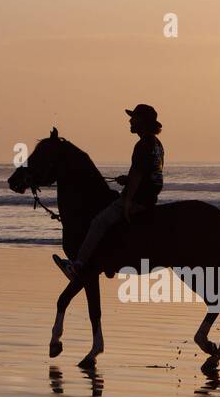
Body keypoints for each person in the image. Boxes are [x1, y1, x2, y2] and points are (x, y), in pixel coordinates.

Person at [54, 104, 164, 280]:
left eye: (134, 117)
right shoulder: (156, 143)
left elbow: (138, 174)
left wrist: (127, 201)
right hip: (150, 196)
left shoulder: (142, 144)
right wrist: (126, 180)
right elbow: (150, 173)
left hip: (138, 198)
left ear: (142, 121)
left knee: (99, 222)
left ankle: (78, 265)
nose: (130, 120)